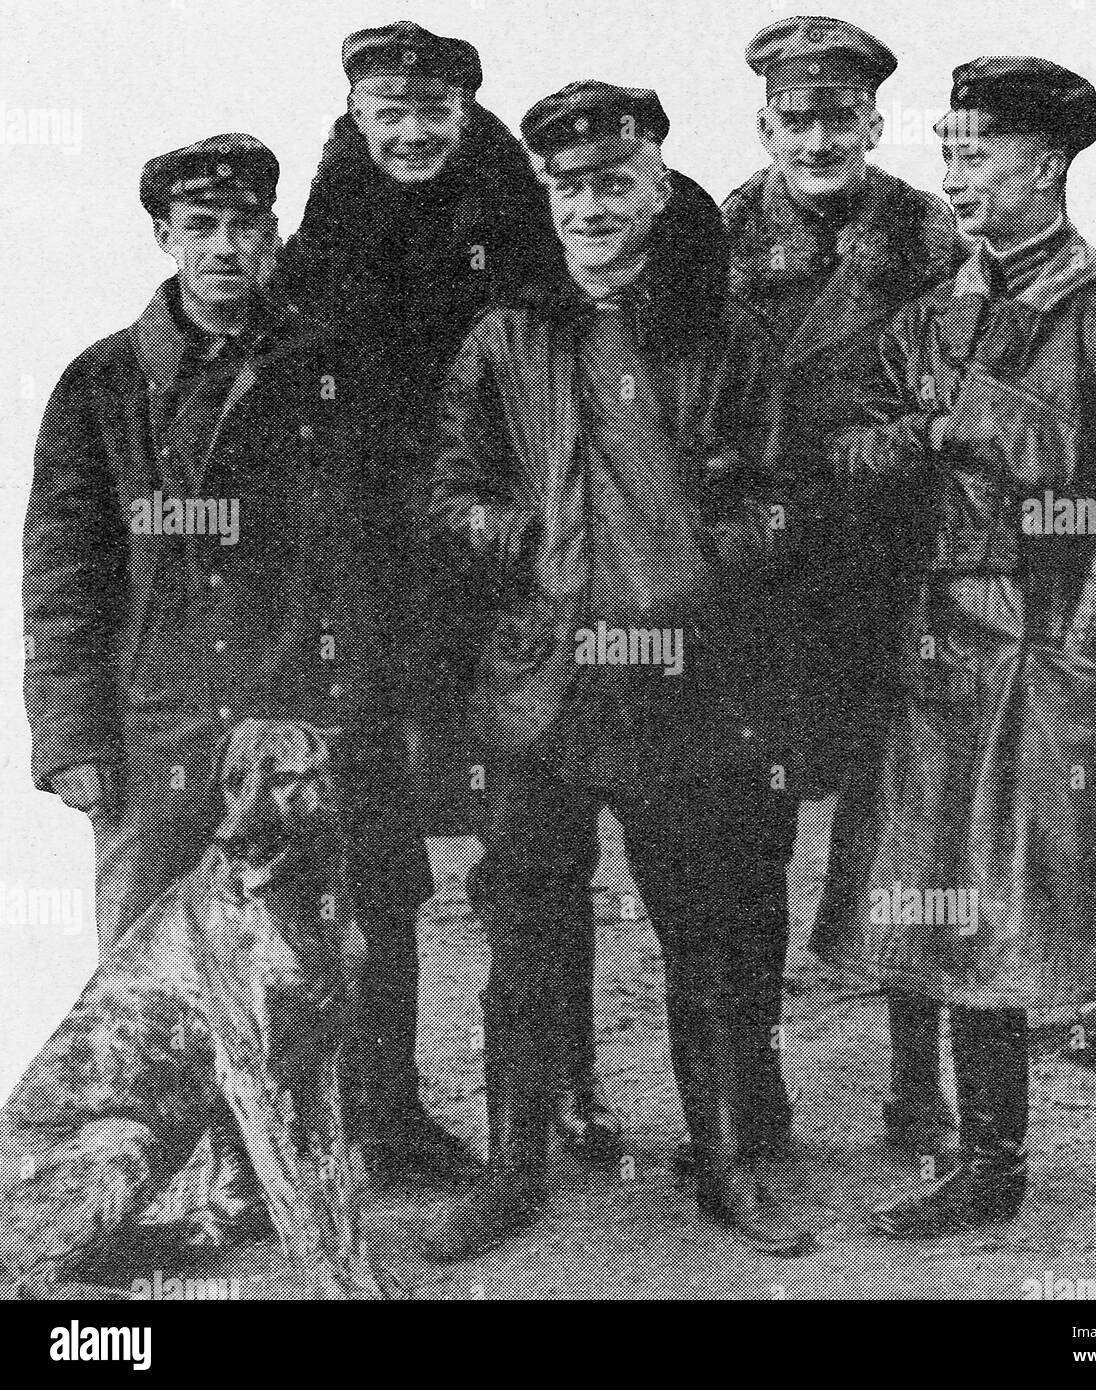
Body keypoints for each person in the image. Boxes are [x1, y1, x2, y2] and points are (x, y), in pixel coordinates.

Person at [809, 58, 1096, 1294]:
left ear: (1044, 164)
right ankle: (988, 1162)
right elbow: (842, 455)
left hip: (1066, 667)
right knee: (954, 914)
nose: (954, 170)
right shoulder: (926, 320)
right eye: (945, 147)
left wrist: (1087, 669)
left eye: (976, 149)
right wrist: (930, 431)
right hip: (943, 662)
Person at [22, 134, 474, 1194]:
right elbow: (63, 574)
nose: (224, 248)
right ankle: (175, 1169)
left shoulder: (331, 367)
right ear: (164, 238)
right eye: (200, 228)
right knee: (152, 955)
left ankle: (383, 1122)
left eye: (243, 227)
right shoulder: (102, 384)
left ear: (273, 235)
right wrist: (73, 737)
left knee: (364, 918)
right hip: (166, 717)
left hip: (310, 709)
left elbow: (386, 546)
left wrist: (383, 700)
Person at [417, 81, 815, 1260]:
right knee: (527, 935)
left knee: (707, 932)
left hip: (685, 684)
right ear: (545, 199)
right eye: (567, 188)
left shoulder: (722, 332)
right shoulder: (503, 337)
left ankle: (728, 1168)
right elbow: (446, 494)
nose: (589, 207)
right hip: (546, 688)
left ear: (654, 183)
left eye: (610, 182)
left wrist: (699, 554)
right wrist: (516, 535)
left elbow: (784, 501)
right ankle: (510, 1173)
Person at [273, 20, 623, 1160]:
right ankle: (388, 1110)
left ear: (466, 112)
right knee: (376, 854)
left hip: (498, 579)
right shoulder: (317, 240)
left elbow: (634, 259)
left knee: (532, 841)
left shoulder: (521, 211)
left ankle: (560, 1088)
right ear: (356, 117)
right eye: (392, 114)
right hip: (374, 594)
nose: (415, 134)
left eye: (435, 112)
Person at [722, 14, 962, 1157]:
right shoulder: (715, 229)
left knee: (906, 834)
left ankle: (917, 1086)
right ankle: (755, 1096)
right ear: (765, 122)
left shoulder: (923, 230)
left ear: (872, 121)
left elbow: (966, 384)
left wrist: (893, 444)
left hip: (890, 571)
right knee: (750, 834)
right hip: (765, 584)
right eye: (795, 117)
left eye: (838, 117)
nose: (817, 137)